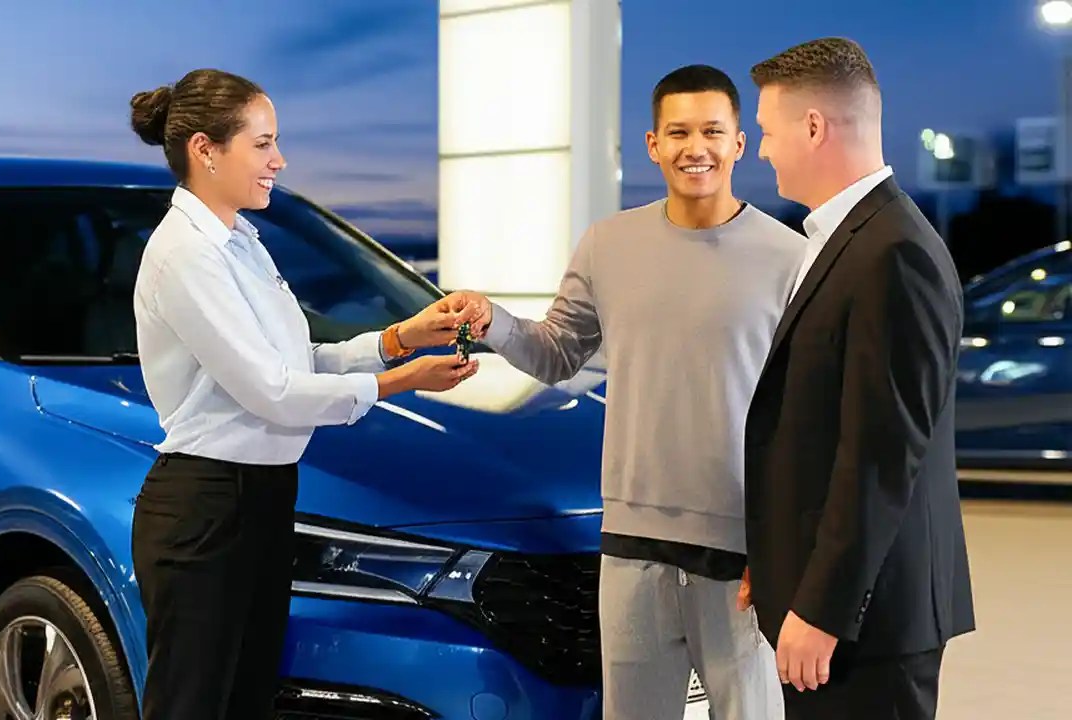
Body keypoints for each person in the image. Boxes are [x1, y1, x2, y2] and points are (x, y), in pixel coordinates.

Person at [443, 65, 802, 720]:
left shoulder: (791, 259)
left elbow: (805, 414)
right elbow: (557, 354)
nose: (697, 147)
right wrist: (494, 320)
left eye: (713, 131)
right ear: (652, 144)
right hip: (631, 539)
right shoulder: (608, 245)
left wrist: (787, 545)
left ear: (740, 143)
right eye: (680, 132)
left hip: (743, 549)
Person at [127, 68, 479, 720]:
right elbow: (272, 392)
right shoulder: (185, 255)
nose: (279, 160)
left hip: (259, 499)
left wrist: (403, 337)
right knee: (192, 706)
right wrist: (401, 381)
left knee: (247, 702)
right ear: (206, 150)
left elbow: (299, 361)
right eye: (262, 144)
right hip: (205, 508)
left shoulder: (242, 243)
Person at [742, 37, 975, 719]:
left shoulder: (895, 253)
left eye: (766, 130)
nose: (762, 150)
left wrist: (822, 607)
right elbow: (821, 428)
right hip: (845, 609)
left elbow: (880, 455)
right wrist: (780, 558)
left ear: (813, 127)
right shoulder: (855, 240)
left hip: (866, 624)